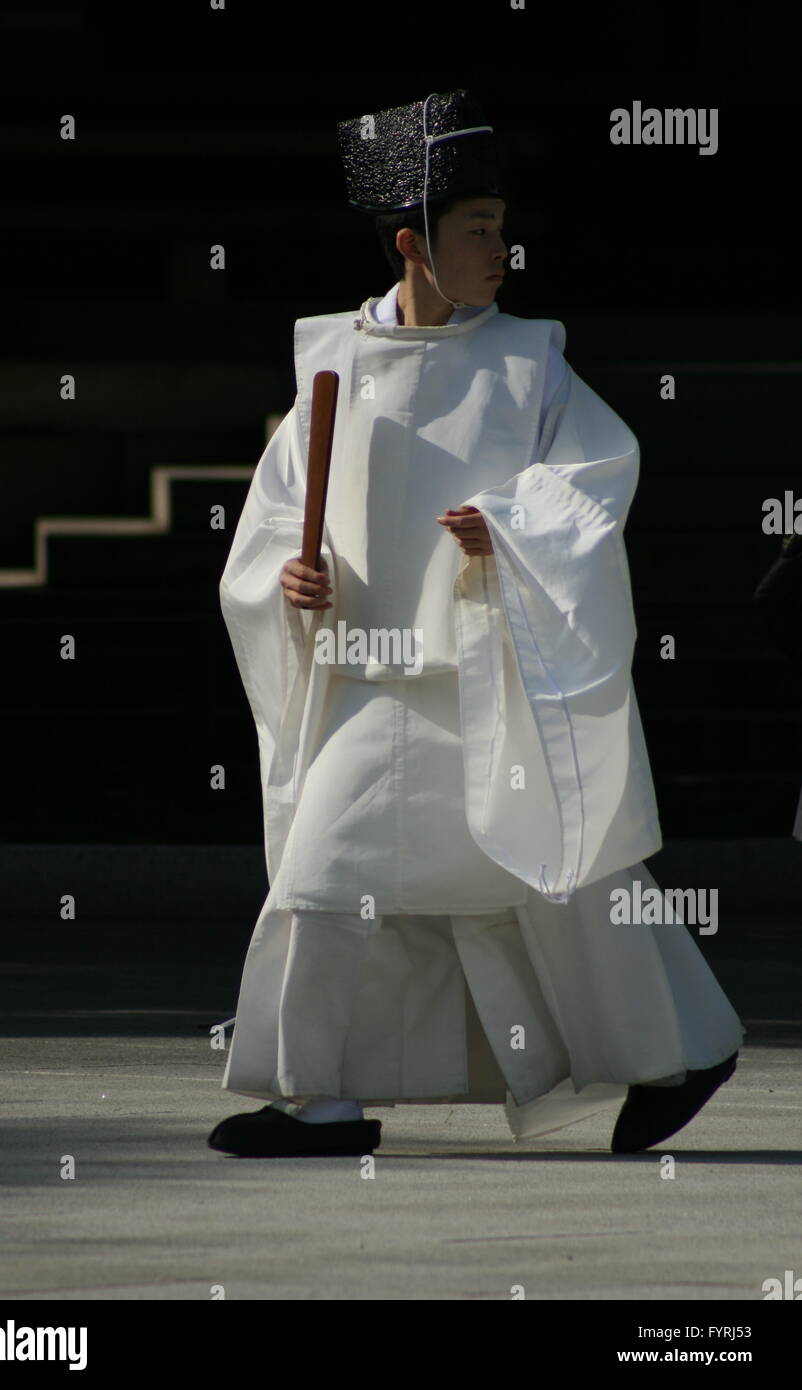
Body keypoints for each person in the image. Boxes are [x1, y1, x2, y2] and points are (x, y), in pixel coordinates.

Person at [208, 90, 743, 1159]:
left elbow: (598, 473)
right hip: (370, 676)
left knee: (560, 878)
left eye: (500, 226)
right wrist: (289, 582)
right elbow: (274, 524)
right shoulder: (333, 362)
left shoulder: (527, 362)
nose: (501, 247)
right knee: (324, 871)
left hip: (489, 672)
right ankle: (319, 1099)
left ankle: (684, 1051)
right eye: (478, 229)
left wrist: (509, 525)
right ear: (413, 242)